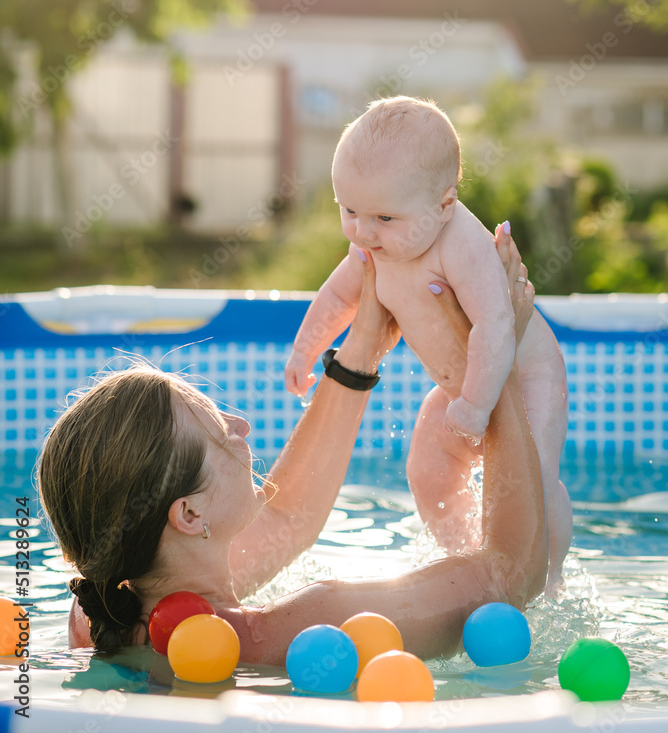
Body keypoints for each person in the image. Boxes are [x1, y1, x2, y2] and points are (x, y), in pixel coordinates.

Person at [39, 227, 548, 662]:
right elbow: (508, 576)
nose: (241, 427)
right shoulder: (304, 631)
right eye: (218, 433)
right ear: (189, 516)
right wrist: (491, 359)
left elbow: (287, 520)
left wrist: (364, 341)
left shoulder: (100, 614)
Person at [285, 96, 571, 591]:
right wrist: (304, 350)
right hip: (462, 390)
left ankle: (548, 577)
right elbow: (338, 296)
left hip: (524, 379)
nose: (363, 231)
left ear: (443, 205)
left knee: (534, 482)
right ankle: (465, 560)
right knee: (427, 469)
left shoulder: (462, 245)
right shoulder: (376, 243)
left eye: (384, 218)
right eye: (349, 210)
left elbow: (497, 325)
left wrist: (478, 405)